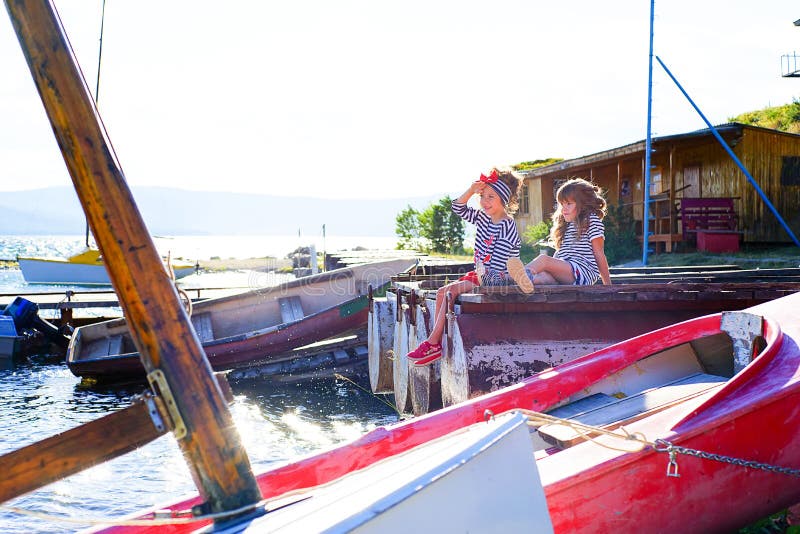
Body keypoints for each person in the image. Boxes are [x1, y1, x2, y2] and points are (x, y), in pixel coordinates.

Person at [407, 168, 532, 367]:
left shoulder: (507, 225)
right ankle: (436, 342)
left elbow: (498, 261)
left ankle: (432, 343)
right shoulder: (482, 218)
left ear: (504, 199)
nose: (485, 201)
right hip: (480, 272)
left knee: (450, 292)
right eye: (482, 196)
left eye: (491, 197)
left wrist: (482, 278)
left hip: (496, 274)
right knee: (441, 292)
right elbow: (457, 207)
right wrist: (472, 189)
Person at [507, 177, 611, 287]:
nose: (563, 209)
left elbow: (599, 253)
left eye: (569, 204)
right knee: (542, 278)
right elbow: (562, 253)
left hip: (582, 272)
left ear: (583, 204)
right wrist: (553, 264)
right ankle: (508, 281)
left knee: (544, 260)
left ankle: (517, 276)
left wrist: (608, 285)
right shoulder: (568, 225)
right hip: (567, 271)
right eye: (562, 204)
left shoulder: (591, 220)